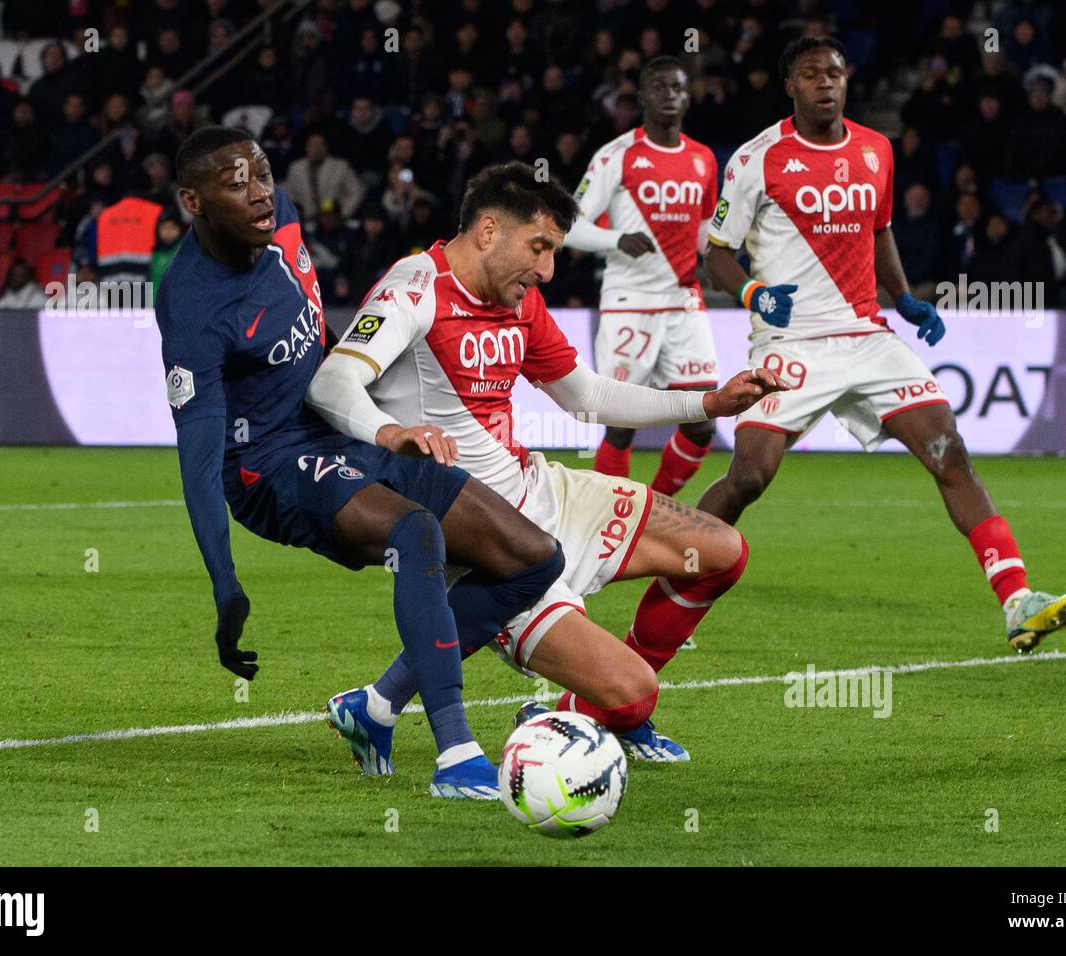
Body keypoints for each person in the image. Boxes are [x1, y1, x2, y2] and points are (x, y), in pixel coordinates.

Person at [307, 161, 786, 769]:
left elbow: (586, 396)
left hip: (545, 492)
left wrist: (709, 401)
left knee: (721, 552)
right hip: (492, 542)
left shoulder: (519, 299)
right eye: (539, 247)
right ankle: (609, 708)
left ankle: (582, 709)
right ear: (487, 231)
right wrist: (391, 431)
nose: (548, 269)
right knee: (636, 691)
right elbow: (332, 380)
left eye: (555, 251)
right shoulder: (415, 287)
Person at [155, 127, 566, 799]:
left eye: (263, 174)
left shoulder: (279, 217)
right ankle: (457, 753)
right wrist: (224, 585)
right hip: (271, 465)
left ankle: (372, 708)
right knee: (416, 531)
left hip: (341, 431)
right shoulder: (192, 304)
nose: (261, 195)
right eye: (238, 185)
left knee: (533, 557)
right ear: (192, 202)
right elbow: (199, 455)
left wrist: (369, 406)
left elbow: (319, 336)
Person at [698, 37, 1066, 652]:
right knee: (748, 476)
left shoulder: (876, 149)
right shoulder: (756, 158)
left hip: (868, 336)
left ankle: (1016, 598)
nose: (826, 82)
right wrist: (751, 295)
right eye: (811, 74)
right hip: (791, 342)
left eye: (836, 72)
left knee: (948, 450)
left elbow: (879, 230)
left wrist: (903, 298)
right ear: (790, 87)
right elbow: (715, 253)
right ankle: (679, 569)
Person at [564, 56, 722, 498]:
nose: (668, 96)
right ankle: (608, 515)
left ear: (687, 97)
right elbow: (570, 225)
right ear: (643, 97)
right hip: (628, 301)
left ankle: (657, 507)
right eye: (659, 88)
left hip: (683, 302)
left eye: (676, 88)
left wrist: (726, 259)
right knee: (620, 425)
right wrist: (617, 239)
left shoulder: (703, 158)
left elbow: (706, 229)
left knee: (703, 421)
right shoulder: (616, 155)